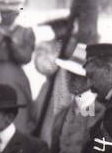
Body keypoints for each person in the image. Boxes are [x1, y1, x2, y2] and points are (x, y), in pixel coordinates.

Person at [0, 0, 36, 130]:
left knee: (17, 111)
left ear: (17, 13)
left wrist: (12, 43)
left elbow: (26, 57)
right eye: (3, 12)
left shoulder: (26, 31)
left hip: (15, 75)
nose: (6, 15)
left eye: (10, 12)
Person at [30, 9, 77, 142]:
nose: (60, 29)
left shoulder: (77, 44)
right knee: (48, 125)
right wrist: (61, 55)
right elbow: (44, 67)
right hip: (52, 89)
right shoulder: (46, 46)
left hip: (72, 88)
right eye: (56, 26)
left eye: (64, 25)